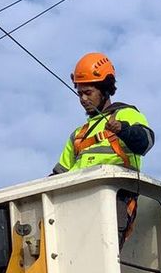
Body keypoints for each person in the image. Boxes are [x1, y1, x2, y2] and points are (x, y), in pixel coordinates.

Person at [51, 52, 155, 247]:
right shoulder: (79, 134)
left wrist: (123, 129)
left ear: (104, 90)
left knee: (101, 255)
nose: (82, 98)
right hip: (76, 205)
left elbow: (145, 142)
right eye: (79, 93)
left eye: (88, 92)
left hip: (114, 201)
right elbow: (57, 176)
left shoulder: (127, 114)